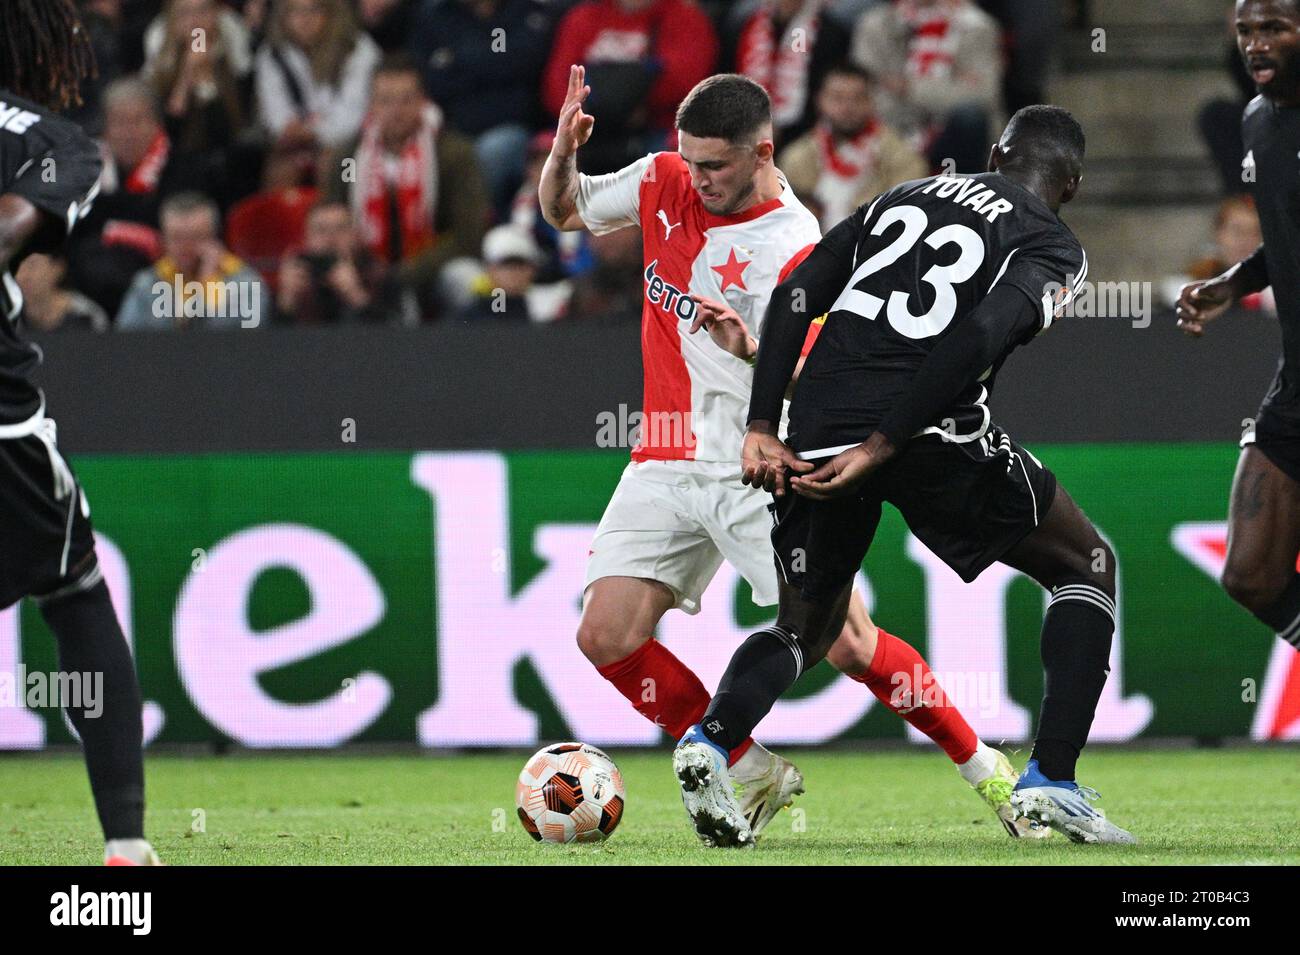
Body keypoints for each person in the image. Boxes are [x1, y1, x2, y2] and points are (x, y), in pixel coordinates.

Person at [540, 66, 1042, 843]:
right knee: (604, 635)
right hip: (668, 451)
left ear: (763, 152)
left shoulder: (796, 245)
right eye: (688, 160)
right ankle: (747, 765)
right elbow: (565, 210)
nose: (694, 178)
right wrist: (564, 152)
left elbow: (818, 378)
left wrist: (748, 351)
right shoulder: (663, 178)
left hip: (757, 460)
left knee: (848, 642)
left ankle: (987, 768)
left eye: (714, 165)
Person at [673, 104, 1138, 847]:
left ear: (995, 151)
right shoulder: (1052, 243)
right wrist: (887, 440)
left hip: (817, 422)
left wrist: (762, 424)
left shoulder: (906, 194)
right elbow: (983, 331)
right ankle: (1053, 779)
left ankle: (710, 737)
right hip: (929, 433)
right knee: (1086, 562)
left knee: (804, 624)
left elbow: (797, 291)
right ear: (1071, 184)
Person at [0, 0, 160, 865]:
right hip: (4, 432)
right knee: (75, 593)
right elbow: (45, 193)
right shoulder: (44, 134)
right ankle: (126, 846)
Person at [1177, 0, 1300, 657]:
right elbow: (1285, 239)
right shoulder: (1257, 121)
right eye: (1247, 29)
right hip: (1295, 385)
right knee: (1251, 573)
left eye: (1275, 28)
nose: (1257, 43)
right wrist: (1233, 283)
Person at [778, 63, 929, 230]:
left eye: (858, 98)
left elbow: (905, 218)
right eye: (838, 98)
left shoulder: (902, 159)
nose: (848, 107)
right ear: (820, 100)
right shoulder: (796, 157)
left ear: (872, 101)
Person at [116, 192, 265, 330]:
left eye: (195, 237)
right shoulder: (148, 283)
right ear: (164, 240)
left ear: (214, 238)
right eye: (176, 238)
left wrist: (207, 282)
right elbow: (127, 337)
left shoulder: (245, 284)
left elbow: (235, 340)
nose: (185, 247)